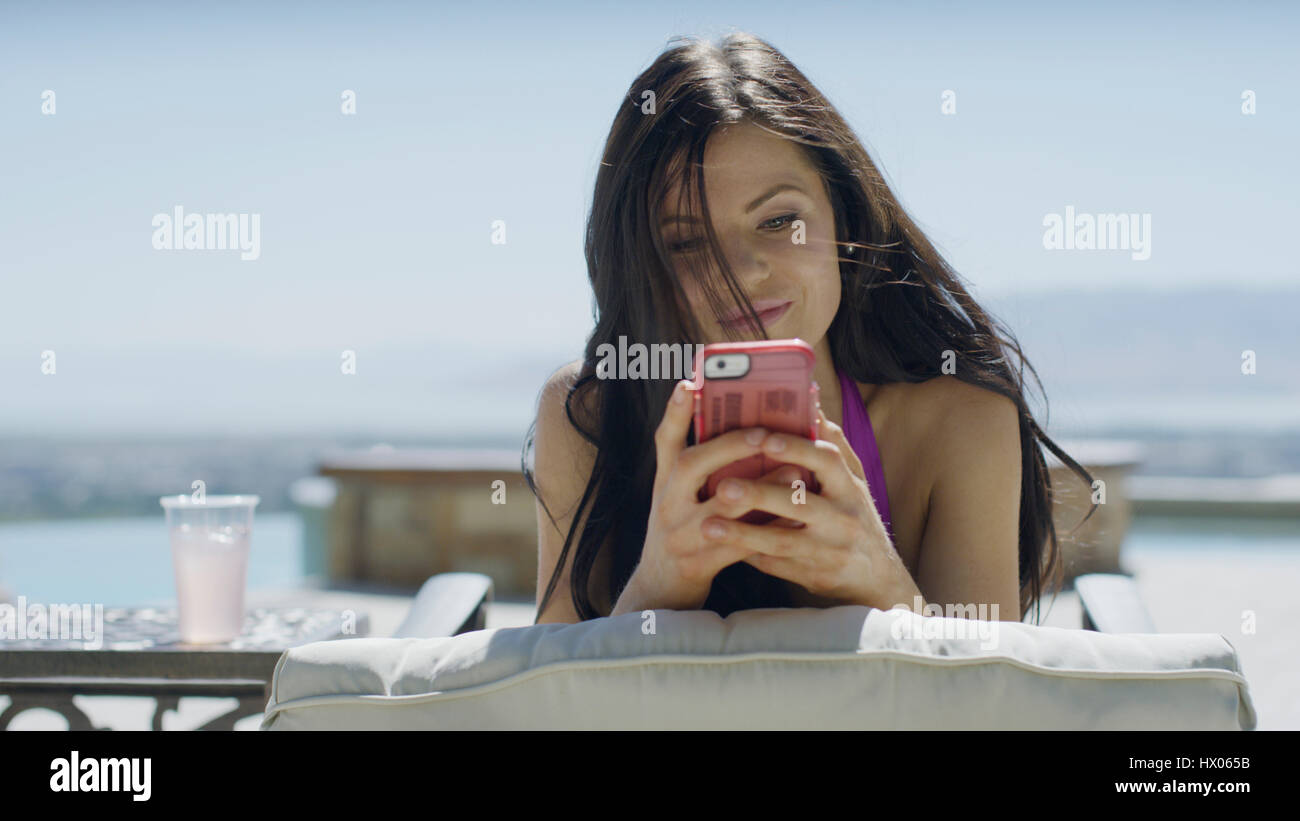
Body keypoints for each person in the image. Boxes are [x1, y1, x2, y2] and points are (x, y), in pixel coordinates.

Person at [524, 32, 1095, 626]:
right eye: (687, 241)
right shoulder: (589, 417)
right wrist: (659, 586)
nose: (743, 272)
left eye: (778, 220)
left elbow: (988, 711)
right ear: (639, 264)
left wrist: (883, 583)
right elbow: (543, 710)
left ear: (843, 216)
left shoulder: (956, 416)